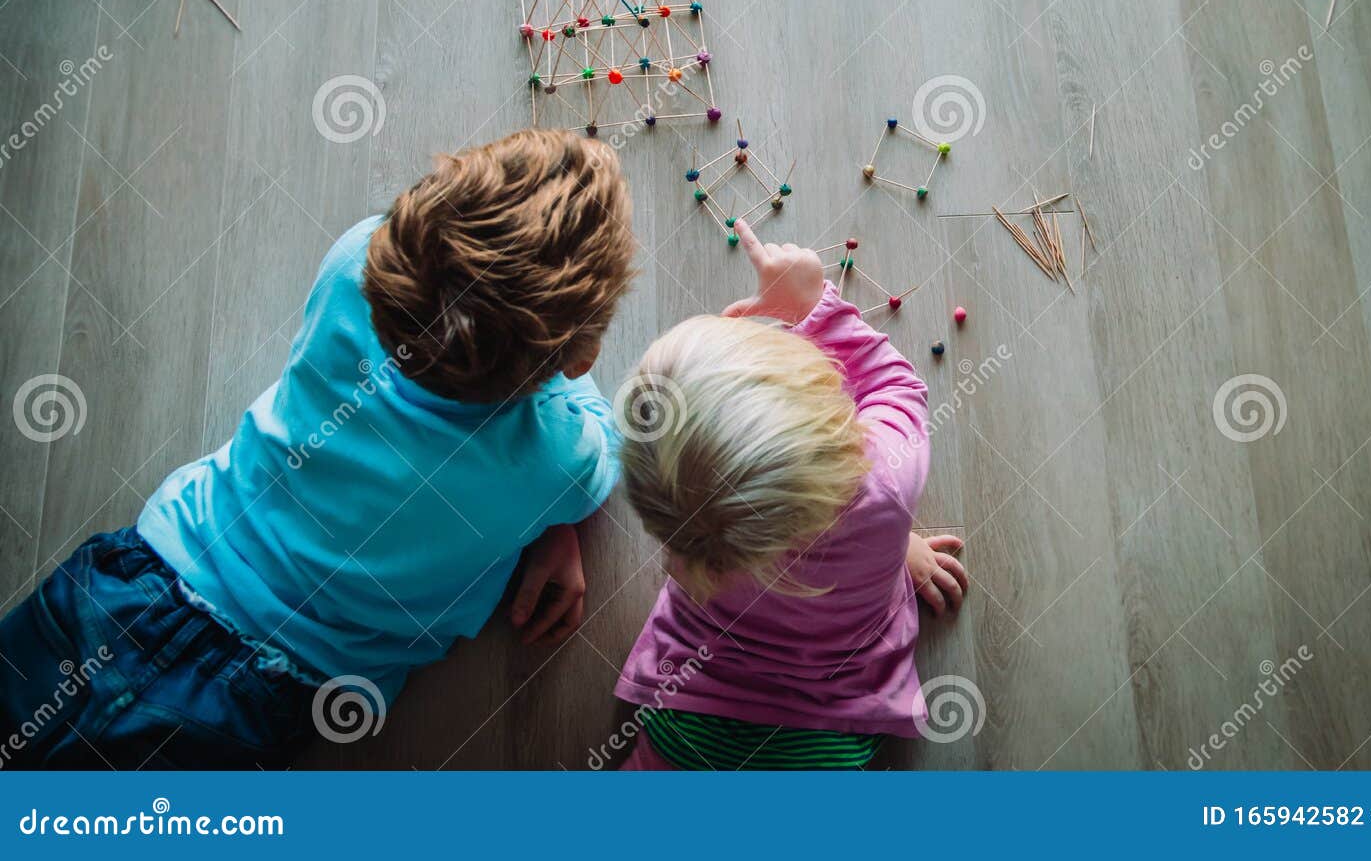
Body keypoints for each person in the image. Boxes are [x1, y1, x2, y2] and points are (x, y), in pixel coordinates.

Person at [0, 129, 635, 768]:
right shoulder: (561, 459)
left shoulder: (355, 259)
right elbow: (597, 436)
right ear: (578, 355)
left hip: (132, 579)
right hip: (263, 694)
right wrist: (547, 511)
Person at [613, 219, 968, 769]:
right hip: (833, 729)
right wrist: (812, 307)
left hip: (683, 716)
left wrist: (891, 543)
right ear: (822, 401)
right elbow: (894, 385)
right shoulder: (884, 482)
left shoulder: (686, 523)